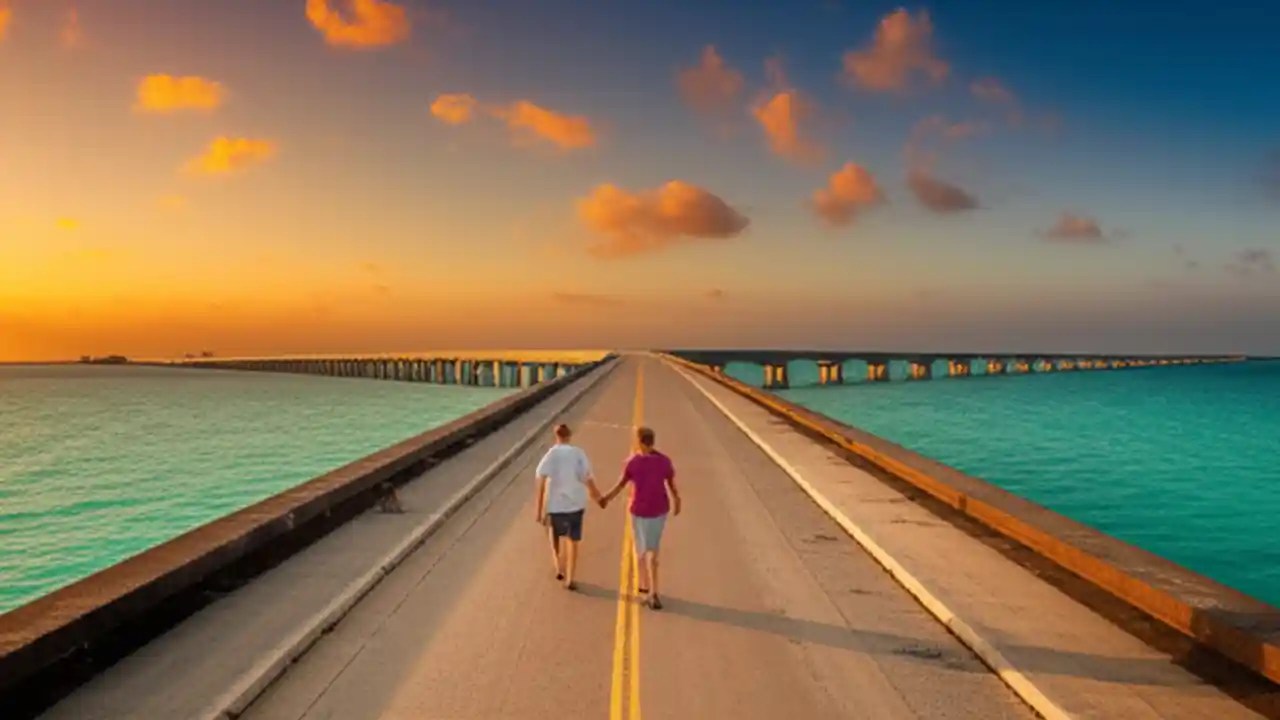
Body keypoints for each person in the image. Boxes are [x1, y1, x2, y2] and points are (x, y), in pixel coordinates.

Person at [602, 426, 680, 610]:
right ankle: (652, 590)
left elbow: (621, 485)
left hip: (639, 511)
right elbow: (671, 484)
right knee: (653, 549)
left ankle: (646, 587)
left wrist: (606, 498)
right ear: (652, 441)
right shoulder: (664, 461)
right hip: (659, 510)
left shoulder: (632, 462)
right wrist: (677, 500)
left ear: (639, 442)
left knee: (641, 550)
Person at [534, 423, 602, 591]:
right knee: (573, 541)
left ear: (556, 436)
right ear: (569, 435)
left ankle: (558, 565)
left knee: (553, 533)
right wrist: (598, 496)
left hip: (555, 504)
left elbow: (541, 479)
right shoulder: (578, 453)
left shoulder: (551, 454)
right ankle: (570, 578)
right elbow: (587, 477)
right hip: (575, 505)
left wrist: (538, 508)